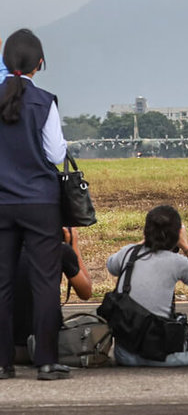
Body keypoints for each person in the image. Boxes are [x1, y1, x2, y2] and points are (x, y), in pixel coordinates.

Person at [0, 29, 71, 380]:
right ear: (40, 63)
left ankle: (2, 362)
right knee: (45, 282)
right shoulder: (44, 101)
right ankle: (45, 359)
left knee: (2, 283)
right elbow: (56, 154)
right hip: (40, 202)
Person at [106, 205, 188, 366]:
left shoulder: (127, 253)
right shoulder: (177, 262)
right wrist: (186, 246)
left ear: (146, 230)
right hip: (161, 356)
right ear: (177, 234)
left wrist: (145, 241)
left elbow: (111, 266)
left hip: (124, 355)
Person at [13, 227, 93, 364]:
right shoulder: (59, 250)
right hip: (43, 348)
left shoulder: (5, 251)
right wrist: (73, 246)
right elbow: (86, 292)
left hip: (6, 351)